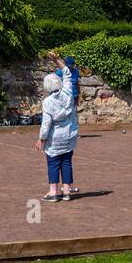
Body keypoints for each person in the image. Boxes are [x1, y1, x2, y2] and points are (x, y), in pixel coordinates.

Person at [36, 72, 78, 201]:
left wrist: (41, 138)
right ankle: (66, 191)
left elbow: (46, 123)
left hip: (55, 136)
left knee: (53, 163)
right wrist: (57, 61)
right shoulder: (68, 94)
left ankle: (53, 192)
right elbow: (67, 76)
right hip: (69, 134)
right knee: (66, 163)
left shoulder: (48, 101)